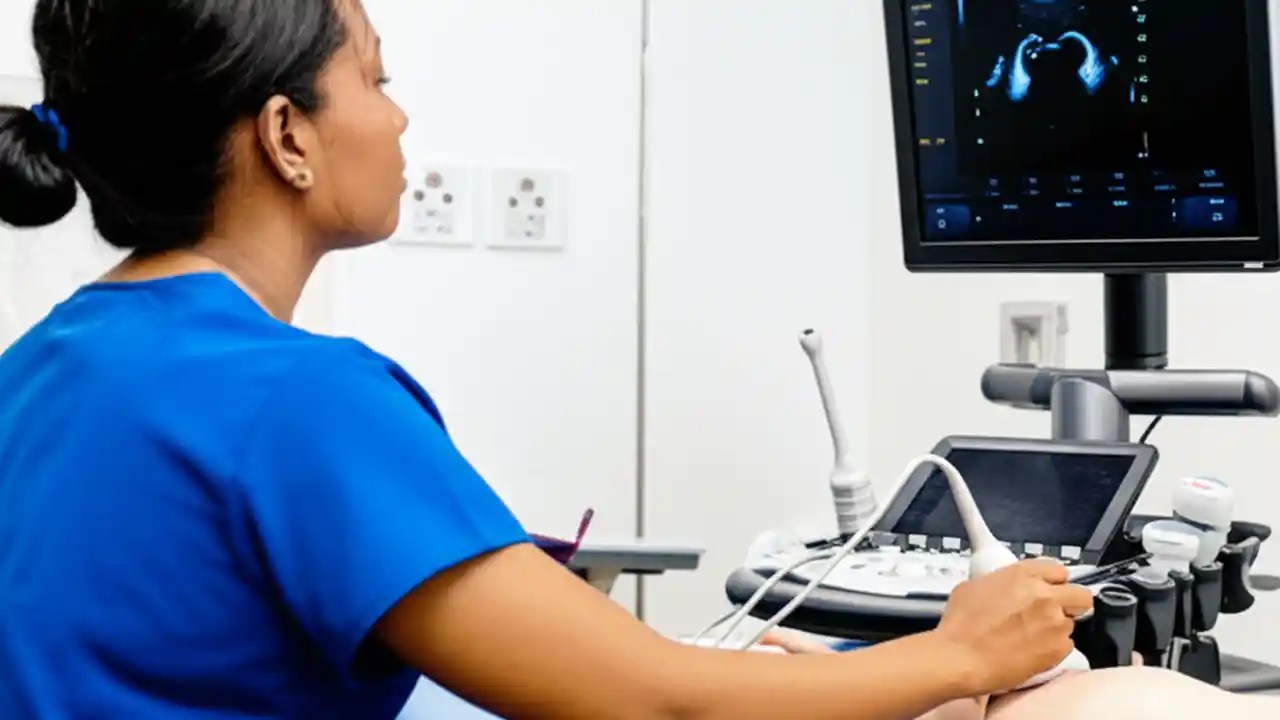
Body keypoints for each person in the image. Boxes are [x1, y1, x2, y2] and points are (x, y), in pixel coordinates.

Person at [0, 1, 1273, 718]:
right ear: (286, 135)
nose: (399, 115)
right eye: (377, 79)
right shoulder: (298, 400)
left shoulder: (42, 366)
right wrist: (958, 655)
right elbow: (654, 708)